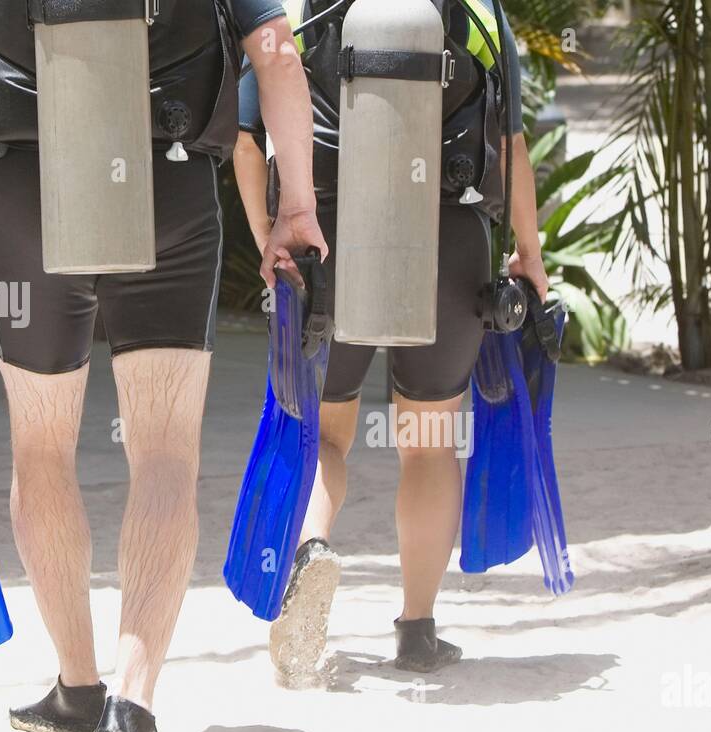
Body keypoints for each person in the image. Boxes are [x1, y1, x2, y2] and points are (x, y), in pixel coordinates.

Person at [0, 0, 326, 732]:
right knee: (163, 453)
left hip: (26, 195)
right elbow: (278, 57)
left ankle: (79, 687)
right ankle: (133, 706)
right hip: (173, 188)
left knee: (40, 449)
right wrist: (296, 211)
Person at [233, 0, 547, 687]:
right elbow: (511, 142)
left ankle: (312, 548)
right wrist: (528, 252)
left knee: (328, 436)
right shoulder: (477, 11)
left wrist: (270, 245)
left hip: (329, 232)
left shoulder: (292, 9)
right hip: (449, 240)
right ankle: (418, 629)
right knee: (429, 442)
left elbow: (248, 140)